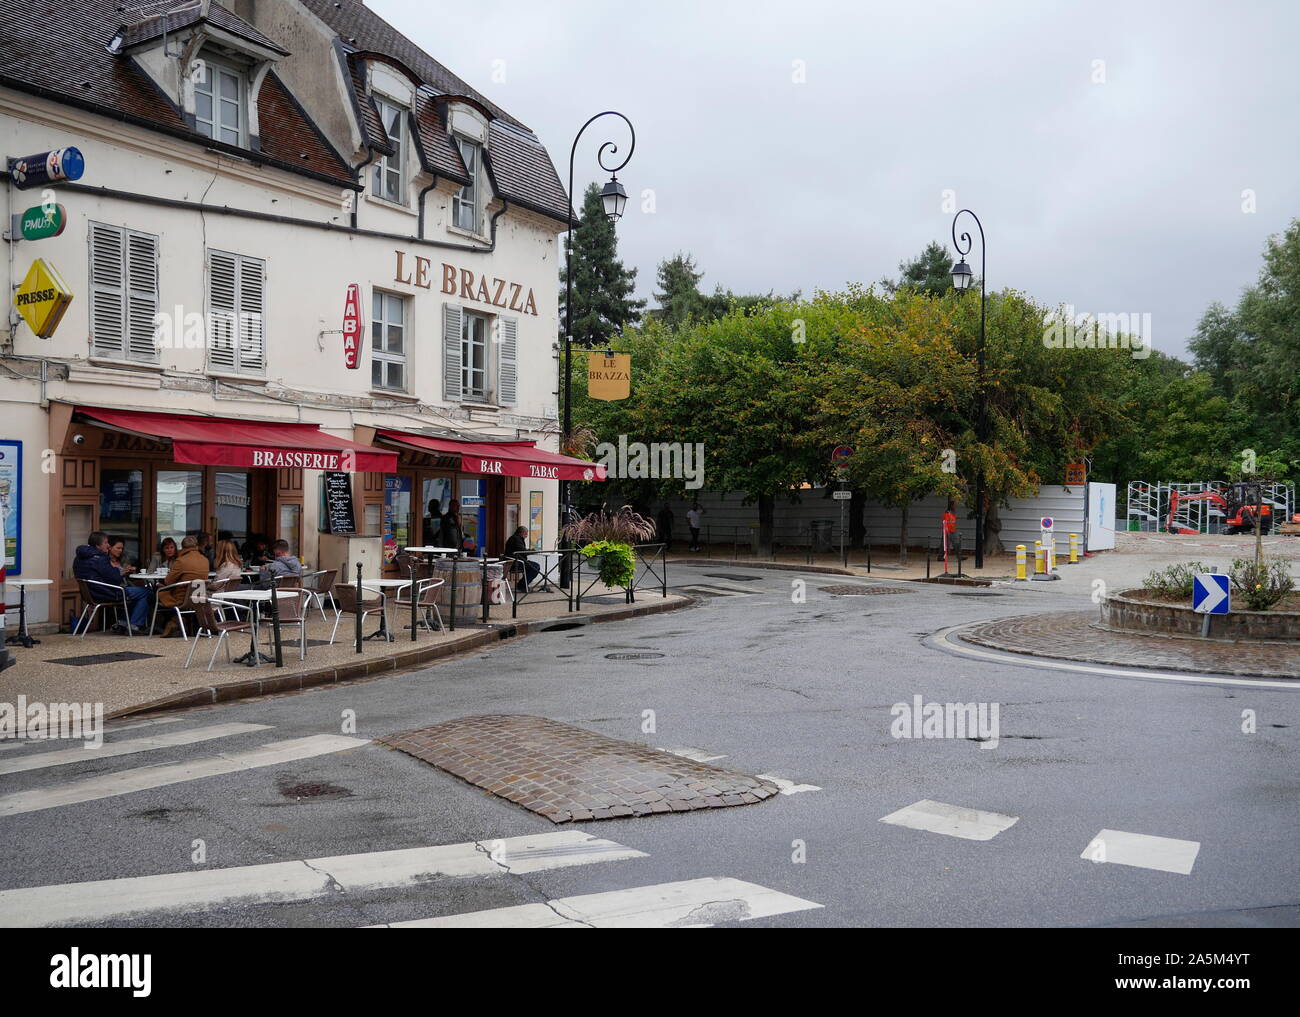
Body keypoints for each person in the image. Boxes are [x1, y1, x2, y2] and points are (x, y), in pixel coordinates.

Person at [74, 530, 151, 633]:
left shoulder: (79, 558)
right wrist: (120, 571)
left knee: (139, 595)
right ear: (98, 545)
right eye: (105, 543)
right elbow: (114, 578)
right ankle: (134, 625)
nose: (108, 545)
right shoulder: (100, 558)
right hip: (107, 593)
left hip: (92, 594)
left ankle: (123, 623)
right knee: (146, 592)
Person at [157, 535, 210, 636]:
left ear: (182, 547)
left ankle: (170, 622)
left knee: (157, 592)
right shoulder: (205, 560)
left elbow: (168, 581)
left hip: (182, 599)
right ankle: (176, 621)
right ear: (196, 546)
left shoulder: (181, 561)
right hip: (198, 597)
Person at [505, 525, 540, 591]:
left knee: (532, 566)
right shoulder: (516, 539)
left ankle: (523, 585)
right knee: (536, 567)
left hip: (516, 561)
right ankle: (522, 585)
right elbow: (522, 551)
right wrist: (532, 551)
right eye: (525, 533)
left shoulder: (515, 538)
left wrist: (529, 550)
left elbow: (520, 549)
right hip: (515, 563)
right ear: (520, 533)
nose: (526, 535)